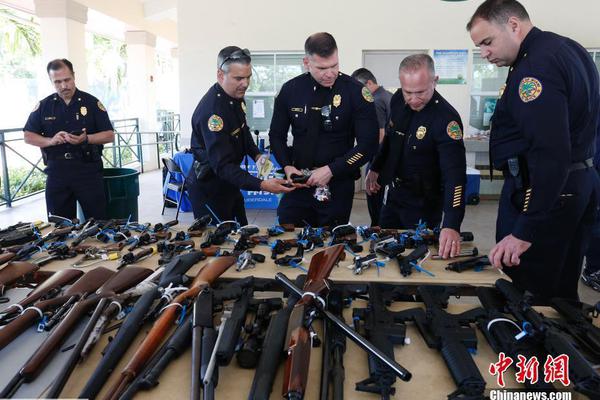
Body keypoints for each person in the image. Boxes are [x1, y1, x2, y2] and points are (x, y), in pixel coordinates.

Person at [467, 0, 600, 301]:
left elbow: (550, 152)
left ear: (513, 25)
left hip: (545, 192)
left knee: (530, 296)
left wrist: (525, 229)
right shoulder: (567, 48)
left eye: (488, 42)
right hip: (576, 184)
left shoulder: (534, 69)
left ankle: (532, 350)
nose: (485, 54)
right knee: (561, 291)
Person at [269, 32, 378, 227]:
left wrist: (331, 170)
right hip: (298, 184)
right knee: (288, 238)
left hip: (337, 186)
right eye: (321, 68)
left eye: (334, 66)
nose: (330, 73)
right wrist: (286, 166)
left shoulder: (356, 92)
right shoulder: (291, 90)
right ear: (306, 62)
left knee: (331, 247)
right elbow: (276, 136)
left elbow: (367, 145)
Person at [365, 54, 466, 259]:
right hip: (394, 197)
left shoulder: (446, 119)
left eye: (420, 92)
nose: (413, 99)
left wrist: (452, 224)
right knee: (383, 252)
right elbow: (391, 140)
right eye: (407, 92)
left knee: (418, 260)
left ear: (434, 81)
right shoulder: (397, 101)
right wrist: (375, 168)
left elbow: (455, 176)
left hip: (424, 204)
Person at [187, 46, 292, 225]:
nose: (245, 83)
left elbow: (243, 131)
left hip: (230, 183)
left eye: (248, 77)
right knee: (220, 244)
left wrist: (256, 154)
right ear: (221, 75)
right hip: (210, 187)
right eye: (239, 78)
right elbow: (222, 165)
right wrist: (262, 185)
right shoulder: (213, 114)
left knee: (241, 230)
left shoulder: (235, 97)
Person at [24, 58, 114, 220]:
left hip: (88, 172)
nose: (64, 86)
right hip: (57, 173)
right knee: (60, 225)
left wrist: (87, 139)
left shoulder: (92, 103)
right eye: (57, 82)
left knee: (98, 223)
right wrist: (50, 141)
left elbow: (109, 135)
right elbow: (28, 136)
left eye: (67, 80)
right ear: (51, 81)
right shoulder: (44, 106)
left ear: (74, 76)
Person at [351, 67, 392, 226]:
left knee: (376, 205)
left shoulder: (375, 101)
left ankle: (377, 232)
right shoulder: (388, 96)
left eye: (360, 89)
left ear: (369, 83)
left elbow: (380, 136)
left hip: (379, 161)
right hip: (389, 160)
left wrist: (373, 166)